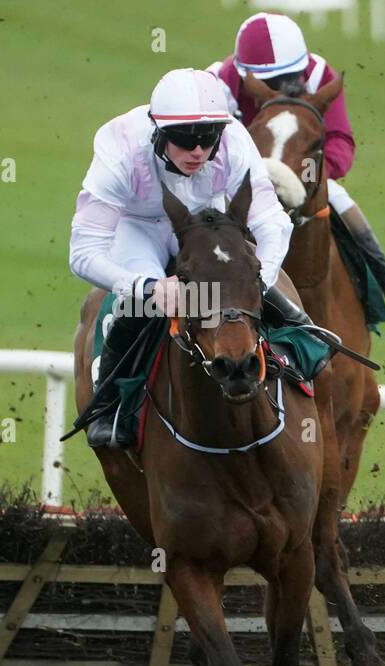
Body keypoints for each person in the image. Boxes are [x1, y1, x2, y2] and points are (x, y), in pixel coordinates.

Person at [69, 67, 301, 449]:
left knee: (240, 284)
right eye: (183, 139)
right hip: (139, 226)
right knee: (141, 304)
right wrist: (148, 286)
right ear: (158, 131)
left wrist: (258, 280)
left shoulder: (233, 142)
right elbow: (82, 253)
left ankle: (304, 349)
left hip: (203, 222)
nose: (197, 151)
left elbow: (273, 223)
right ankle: (111, 405)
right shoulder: (120, 147)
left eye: (207, 138)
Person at [208, 11, 385, 318]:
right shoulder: (216, 85)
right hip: (231, 178)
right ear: (247, 76)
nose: (282, 87)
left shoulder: (322, 74)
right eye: (269, 82)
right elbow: (205, 152)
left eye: (290, 77)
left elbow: (340, 141)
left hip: (304, 174)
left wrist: (307, 175)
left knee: (337, 195)